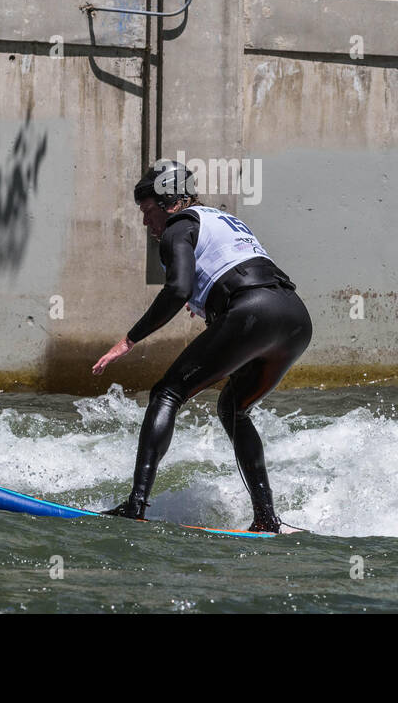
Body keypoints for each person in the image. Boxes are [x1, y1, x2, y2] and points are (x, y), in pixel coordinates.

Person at [92, 161, 312, 533]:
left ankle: (136, 506)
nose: (146, 223)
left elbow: (177, 289)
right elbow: (231, 269)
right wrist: (214, 307)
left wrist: (128, 341)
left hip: (252, 313)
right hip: (294, 319)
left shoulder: (178, 227)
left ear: (170, 201)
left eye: (148, 211)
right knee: (233, 407)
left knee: (166, 393)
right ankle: (266, 519)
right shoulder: (219, 219)